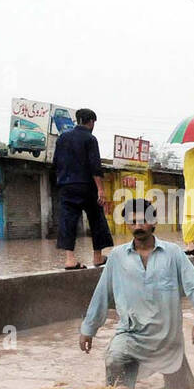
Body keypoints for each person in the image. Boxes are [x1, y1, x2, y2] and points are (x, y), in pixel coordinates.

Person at [79, 197, 194, 389]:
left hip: (167, 339)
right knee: (115, 364)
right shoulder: (117, 256)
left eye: (143, 220)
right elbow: (102, 295)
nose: (138, 226)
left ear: (154, 221)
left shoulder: (173, 253)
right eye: (132, 222)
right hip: (131, 335)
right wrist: (88, 330)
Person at [52, 108, 113, 269]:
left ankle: (70, 259)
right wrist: (100, 189)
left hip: (66, 186)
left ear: (77, 120)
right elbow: (95, 166)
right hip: (87, 186)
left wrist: (62, 181)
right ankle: (98, 257)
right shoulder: (90, 139)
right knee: (97, 219)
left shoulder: (62, 139)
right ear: (91, 121)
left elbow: (56, 163)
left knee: (67, 220)